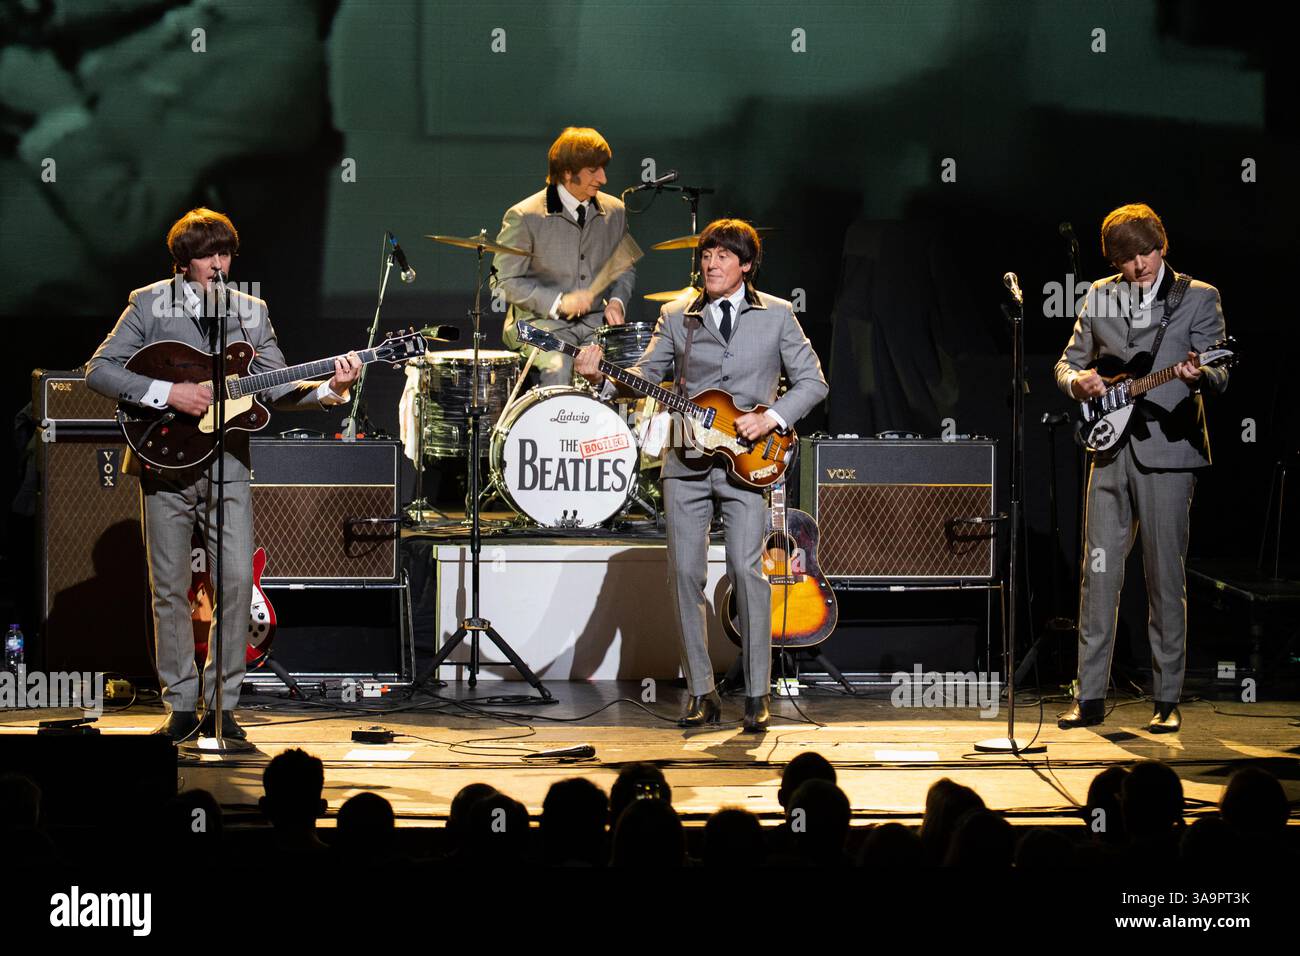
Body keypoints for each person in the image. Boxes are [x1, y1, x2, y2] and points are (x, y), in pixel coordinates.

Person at [86, 208, 360, 742]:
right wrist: (169, 393)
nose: (219, 263)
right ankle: (180, 705)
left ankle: (222, 705)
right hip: (164, 461)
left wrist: (333, 389)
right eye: (208, 254)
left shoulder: (250, 311)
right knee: (169, 589)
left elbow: (278, 385)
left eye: (226, 253)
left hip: (228, 463)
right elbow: (99, 370)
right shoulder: (148, 303)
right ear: (183, 261)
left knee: (235, 584)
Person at [576, 219, 828, 732]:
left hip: (749, 464)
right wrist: (603, 377)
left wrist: (771, 418)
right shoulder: (677, 315)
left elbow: (813, 382)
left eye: (723, 256)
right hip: (685, 463)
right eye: (706, 255)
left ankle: (757, 693)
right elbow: (645, 377)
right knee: (684, 576)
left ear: (746, 265)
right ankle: (701, 692)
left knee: (747, 572)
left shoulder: (777, 314)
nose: (711, 264)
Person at [1054, 203, 1228, 734]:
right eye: (1127, 260)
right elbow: (1067, 362)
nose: (1139, 266)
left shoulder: (1198, 297)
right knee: (1098, 575)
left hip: (1169, 452)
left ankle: (1167, 698)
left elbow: (1220, 370)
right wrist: (1077, 382)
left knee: (1164, 576)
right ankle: (1088, 695)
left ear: (1162, 245)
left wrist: (1200, 376)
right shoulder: (1099, 294)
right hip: (1108, 452)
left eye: (1146, 254)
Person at [494, 126, 635, 386]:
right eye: (593, 170)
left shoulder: (616, 211)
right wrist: (558, 303)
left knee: (625, 369)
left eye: (603, 169)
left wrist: (617, 302)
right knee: (558, 366)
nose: (603, 178)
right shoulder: (524, 216)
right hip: (538, 325)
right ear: (568, 173)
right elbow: (502, 282)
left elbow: (624, 267)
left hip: (596, 327)